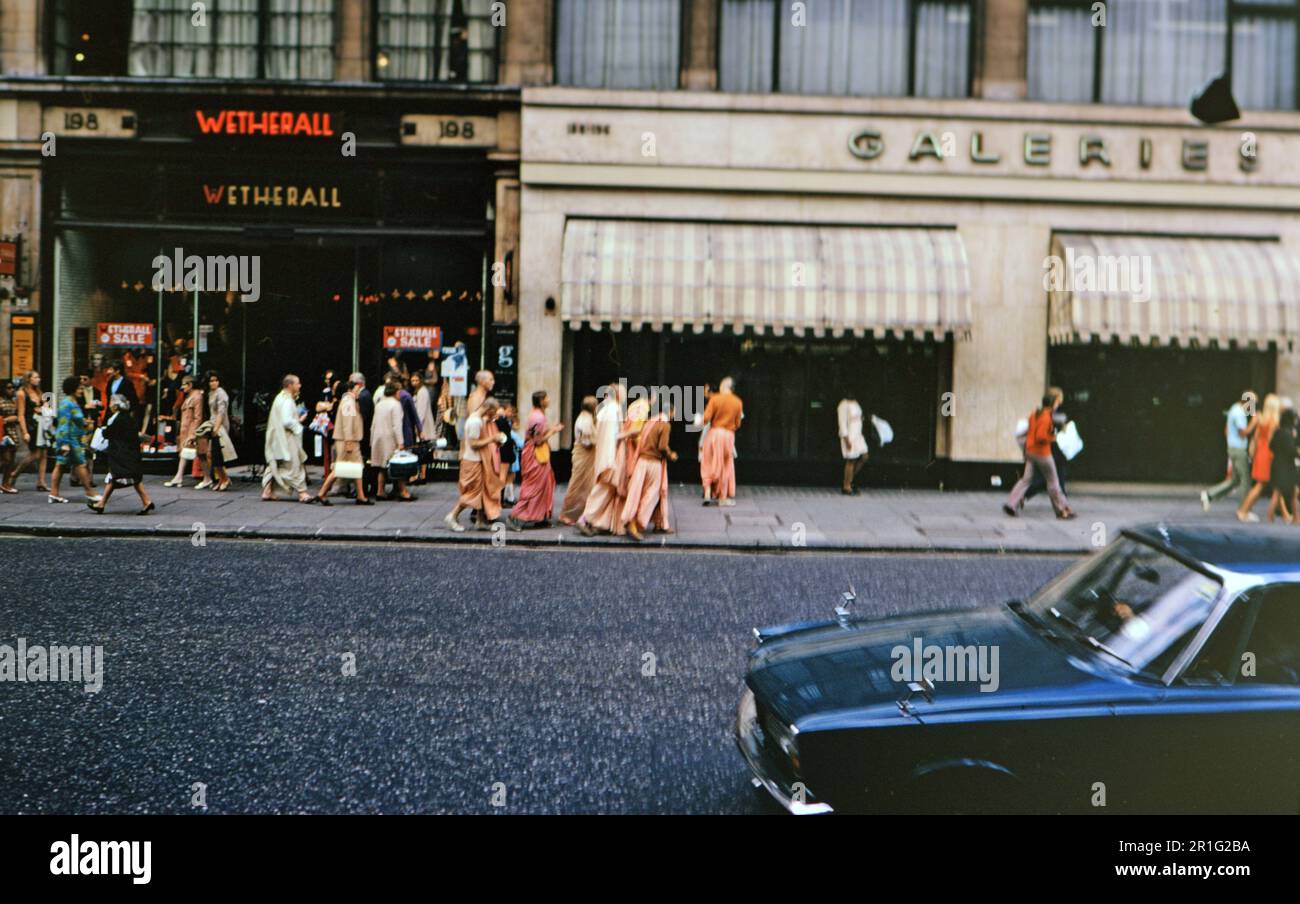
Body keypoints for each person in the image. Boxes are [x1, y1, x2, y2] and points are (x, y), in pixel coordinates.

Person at [1003, 393, 1075, 520]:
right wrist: (1054, 437)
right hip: (1042, 453)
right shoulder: (1046, 417)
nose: (1058, 405)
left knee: (1026, 479)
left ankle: (1011, 504)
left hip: (1030, 451)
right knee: (1053, 482)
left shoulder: (1035, 413)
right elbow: (1041, 436)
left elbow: (1030, 430)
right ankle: (1062, 510)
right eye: (1057, 403)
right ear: (1052, 404)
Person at [444, 397, 506, 531]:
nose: (494, 416)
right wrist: (492, 438)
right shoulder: (475, 422)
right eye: (493, 412)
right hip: (473, 461)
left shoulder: (477, 418)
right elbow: (473, 444)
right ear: (488, 409)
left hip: (478, 461)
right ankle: (452, 516)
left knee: (482, 491)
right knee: (472, 493)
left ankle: (481, 520)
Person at [620, 398, 677, 540]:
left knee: (636, 492)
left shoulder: (651, 421)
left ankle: (656, 523)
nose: (674, 415)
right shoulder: (665, 425)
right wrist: (671, 455)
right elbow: (662, 447)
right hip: (653, 463)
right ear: (670, 412)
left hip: (641, 461)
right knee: (654, 493)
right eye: (674, 413)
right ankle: (637, 522)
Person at [88, 394, 154, 515]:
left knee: (116, 477)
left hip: (121, 455)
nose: (110, 406)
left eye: (111, 403)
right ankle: (146, 501)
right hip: (130, 453)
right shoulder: (128, 418)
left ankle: (101, 504)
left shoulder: (117, 419)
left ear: (116, 406)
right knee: (132, 479)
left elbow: (108, 434)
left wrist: (102, 430)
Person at [313, 373, 372, 506]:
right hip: (348, 441)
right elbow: (347, 423)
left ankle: (361, 496)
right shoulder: (348, 401)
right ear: (354, 387)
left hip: (349, 440)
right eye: (358, 389)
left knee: (356, 467)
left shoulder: (349, 400)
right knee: (339, 469)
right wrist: (349, 441)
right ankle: (322, 493)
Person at [508, 390, 564, 530]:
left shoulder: (536, 415)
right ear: (541, 401)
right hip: (535, 455)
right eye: (547, 398)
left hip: (534, 453)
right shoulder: (538, 418)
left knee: (544, 484)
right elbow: (538, 441)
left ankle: (541, 517)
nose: (549, 399)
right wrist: (554, 431)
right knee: (534, 487)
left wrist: (551, 428)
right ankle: (514, 516)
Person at [47, 376, 101, 506]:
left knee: (60, 465)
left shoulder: (73, 402)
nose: (81, 390)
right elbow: (63, 424)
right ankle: (90, 492)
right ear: (72, 389)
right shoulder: (67, 404)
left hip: (71, 438)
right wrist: (65, 443)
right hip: (69, 439)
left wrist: (83, 422)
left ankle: (54, 494)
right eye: (79, 388)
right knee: (80, 464)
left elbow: (72, 420)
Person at [1201, 391, 1257, 511]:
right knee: (1245, 480)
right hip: (1238, 448)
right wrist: (1254, 422)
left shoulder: (1234, 409)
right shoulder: (1239, 413)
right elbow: (1243, 433)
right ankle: (1244, 509)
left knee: (1234, 480)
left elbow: (1226, 430)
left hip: (1233, 447)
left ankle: (1210, 494)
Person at [261, 374, 312, 503]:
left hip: (277, 437)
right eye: (297, 383)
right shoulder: (287, 400)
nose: (299, 386)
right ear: (290, 385)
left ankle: (267, 491)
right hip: (286, 438)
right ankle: (302, 492)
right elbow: (286, 421)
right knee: (294, 465)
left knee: (276, 464)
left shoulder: (280, 397)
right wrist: (299, 426)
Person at [1023, 386, 1071, 506]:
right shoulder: (1048, 411)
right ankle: (1023, 496)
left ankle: (1063, 503)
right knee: (1050, 477)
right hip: (1050, 447)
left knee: (1056, 476)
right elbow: (1043, 432)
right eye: (1059, 397)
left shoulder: (1048, 410)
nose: (1061, 400)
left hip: (1053, 448)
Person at [699, 376, 743, 506]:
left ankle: (707, 492)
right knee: (725, 465)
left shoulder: (715, 399)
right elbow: (738, 423)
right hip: (728, 435)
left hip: (713, 434)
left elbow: (706, 418)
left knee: (707, 462)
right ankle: (722, 497)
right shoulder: (738, 402)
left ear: (724, 386)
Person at [1238, 393, 1282, 523]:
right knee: (1260, 485)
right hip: (1267, 453)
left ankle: (1246, 510)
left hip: (1260, 453)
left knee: (1260, 484)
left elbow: (1256, 438)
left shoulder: (1261, 419)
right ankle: (1243, 511)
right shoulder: (1273, 422)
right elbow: (1270, 440)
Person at [7, 370, 50, 491]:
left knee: (44, 453)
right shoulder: (22, 393)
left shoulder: (38, 392)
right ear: (28, 379)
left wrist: (44, 408)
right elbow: (21, 414)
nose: (38, 379)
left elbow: (45, 406)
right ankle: (14, 474)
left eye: (38, 377)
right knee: (35, 453)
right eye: (36, 377)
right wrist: (24, 432)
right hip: (30, 425)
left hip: (41, 424)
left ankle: (41, 481)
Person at [370, 375, 410, 501]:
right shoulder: (395, 405)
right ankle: (403, 492)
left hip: (378, 437)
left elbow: (373, 424)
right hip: (389, 439)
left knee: (382, 466)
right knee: (398, 465)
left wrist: (372, 440)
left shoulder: (379, 404)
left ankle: (380, 491)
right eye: (399, 391)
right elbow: (397, 426)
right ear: (395, 392)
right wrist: (401, 442)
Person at [559, 395, 599, 524]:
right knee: (577, 485)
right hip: (583, 456)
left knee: (585, 486)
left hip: (586, 457)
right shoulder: (585, 421)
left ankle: (579, 514)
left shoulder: (586, 418)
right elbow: (587, 442)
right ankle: (566, 514)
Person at [197, 370, 235, 492]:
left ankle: (224, 479)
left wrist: (217, 428)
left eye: (216, 380)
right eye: (211, 381)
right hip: (212, 424)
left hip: (220, 426)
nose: (214, 383)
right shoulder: (210, 393)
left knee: (216, 454)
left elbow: (221, 412)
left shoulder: (221, 393)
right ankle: (222, 479)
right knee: (211, 454)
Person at [164, 375, 204, 487]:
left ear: (190, 385)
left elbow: (198, 417)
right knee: (189, 454)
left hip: (190, 431)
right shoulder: (190, 396)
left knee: (199, 455)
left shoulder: (197, 397)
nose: (182, 387)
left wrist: (192, 434)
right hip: (185, 430)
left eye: (184, 384)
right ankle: (179, 476)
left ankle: (180, 477)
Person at [1266, 408, 1298, 524]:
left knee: (1279, 492)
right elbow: (1292, 451)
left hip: (1277, 464)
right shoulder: (1288, 434)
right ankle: (1294, 517)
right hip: (1287, 467)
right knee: (1289, 492)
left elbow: (1271, 446)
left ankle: (1273, 516)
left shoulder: (1278, 432)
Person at [837, 396, 868, 495]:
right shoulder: (843, 405)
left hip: (858, 435)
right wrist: (846, 439)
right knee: (851, 460)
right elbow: (842, 423)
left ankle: (850, 480)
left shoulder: (855, 402)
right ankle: (846, 487)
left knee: (864, 457)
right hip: (849, 436)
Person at [0, 381, 18, 493]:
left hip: (12, 432)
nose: (12, 390)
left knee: (11, 459)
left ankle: (5, 483)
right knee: (5, 459)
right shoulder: (0, 401)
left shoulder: (13, 401)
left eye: (13, 387)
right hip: (3, 432)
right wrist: (6, 420)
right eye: (9, 388)